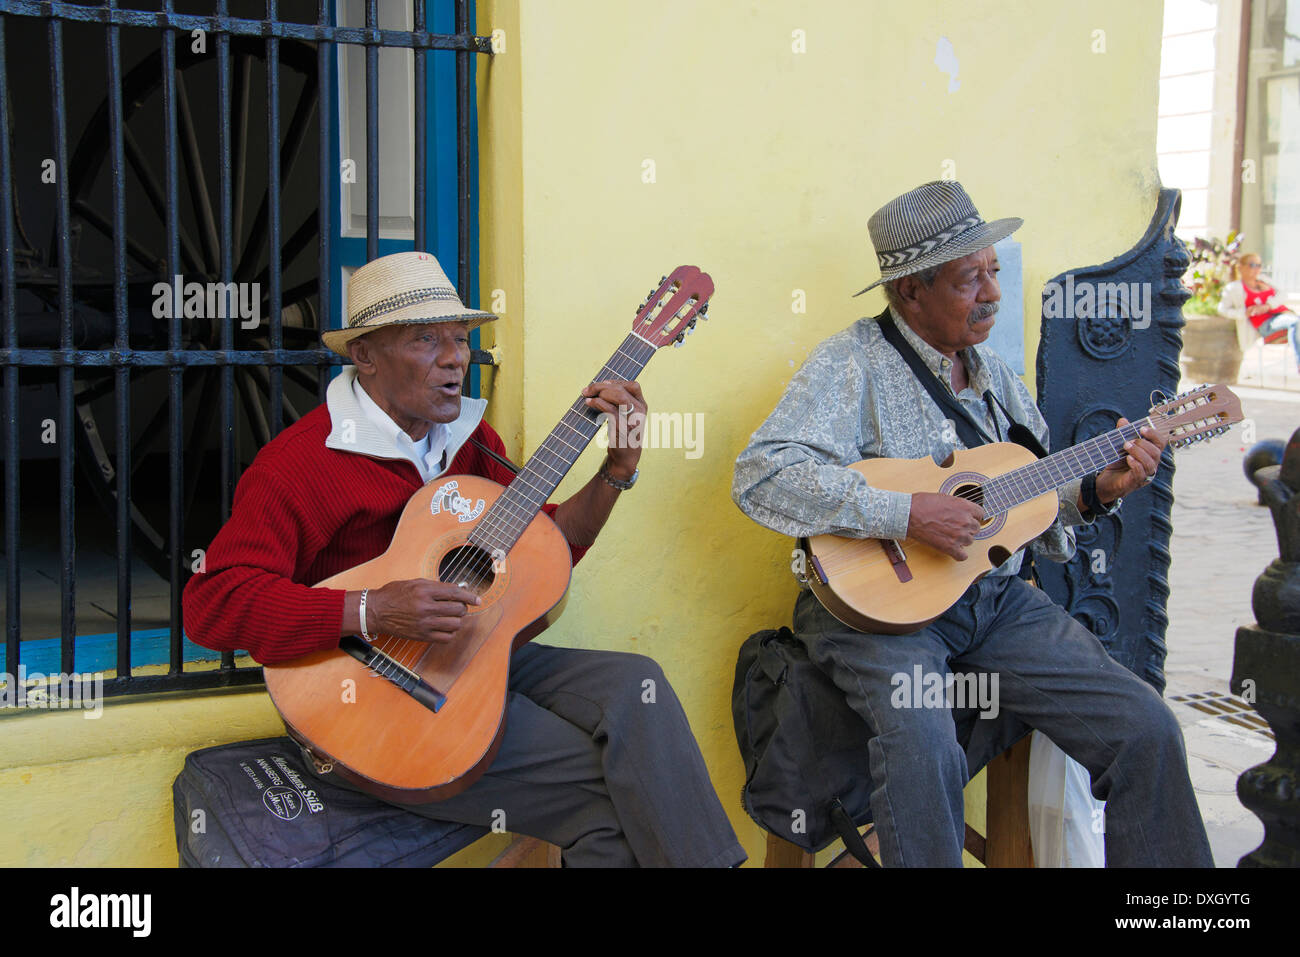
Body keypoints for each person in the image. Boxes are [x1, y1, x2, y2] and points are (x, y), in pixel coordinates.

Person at [183, 250, 744, 868]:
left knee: (637, 684)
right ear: (364, 355)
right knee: (609, 798)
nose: (455, 359)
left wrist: (616, 470)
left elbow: (540, 547)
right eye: (426, 340)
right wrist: (375, 609)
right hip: (364, 698)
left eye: (460, 339)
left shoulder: (471, 441)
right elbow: (214, 605)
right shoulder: (298, 465)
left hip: (476, 652)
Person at [732, 181, 1213, 867]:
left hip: (991, 602)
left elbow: (1029, 504)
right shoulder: (852, 362)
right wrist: (905, 510)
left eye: (993, 270)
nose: (991, 292)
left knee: (1145, 727)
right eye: (968, 279)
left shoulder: (999, 380)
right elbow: (761, 473)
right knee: (923, 743)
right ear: (910, 292)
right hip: (876, 615)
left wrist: (1101, 490)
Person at [1219, 253, 1299, 369]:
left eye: (1259, 265)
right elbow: (1222, 309)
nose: (1257, 269)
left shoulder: (1264, 280)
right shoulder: (1234, 288)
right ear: (1241, 267)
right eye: (1252, 265)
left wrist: (1268, 305)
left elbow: (1283, 294)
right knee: (1296, 323)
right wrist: (1243, 313)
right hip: (1266, 325)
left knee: (1296, 323)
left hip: (1282, 315)